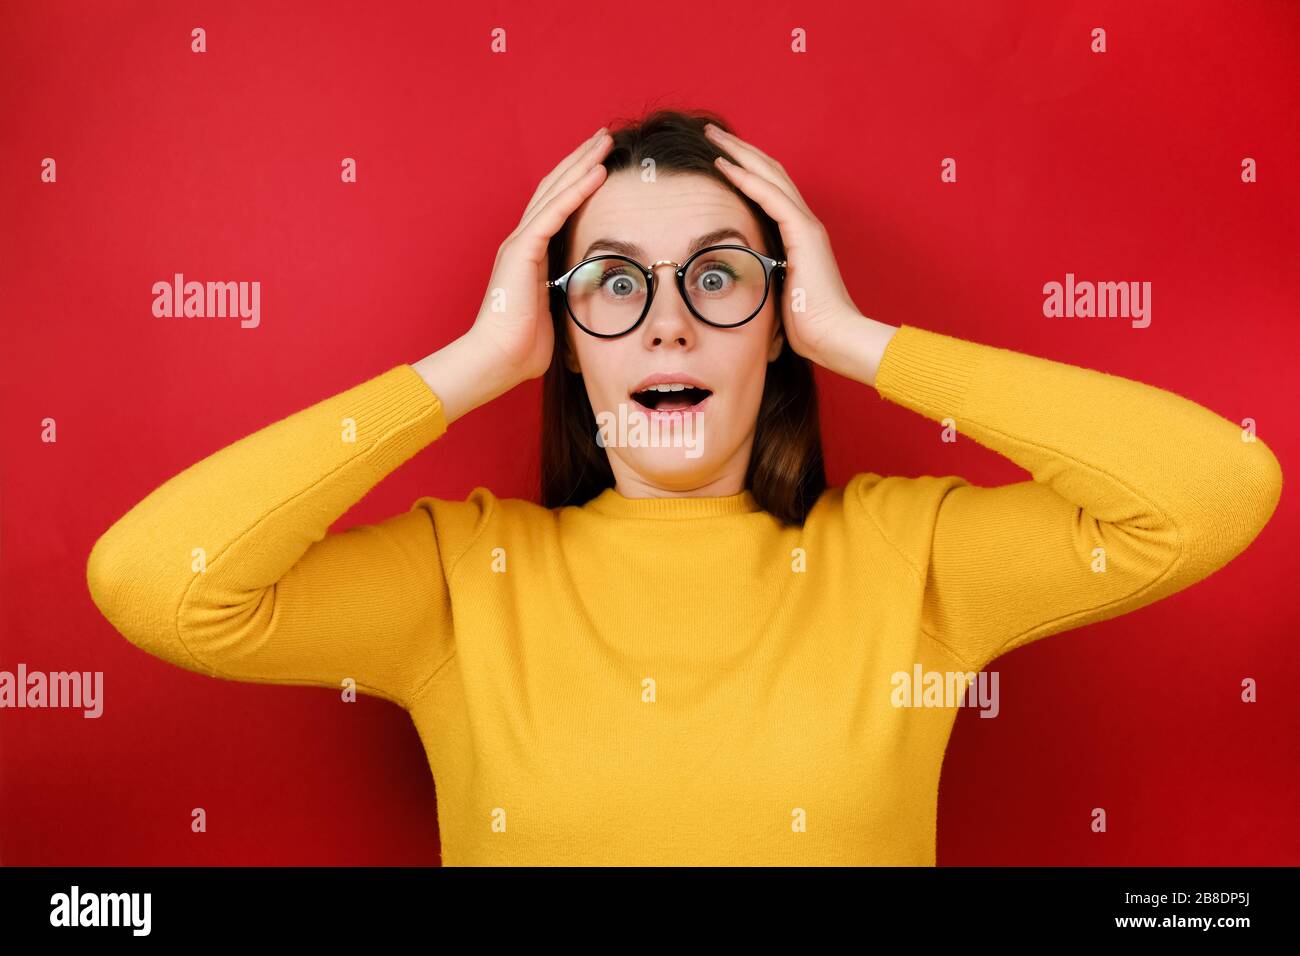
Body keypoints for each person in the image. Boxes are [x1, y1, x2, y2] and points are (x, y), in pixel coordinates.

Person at [86, 109, 1283, 866]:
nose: (665, 325)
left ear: (775, 329)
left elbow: (1210, 490)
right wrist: (471, 366)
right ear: (562, 339)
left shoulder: (912, 559)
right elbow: (157, 585)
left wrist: (857, 335)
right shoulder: (460, 579)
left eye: (717, 278)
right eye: (612, 284)